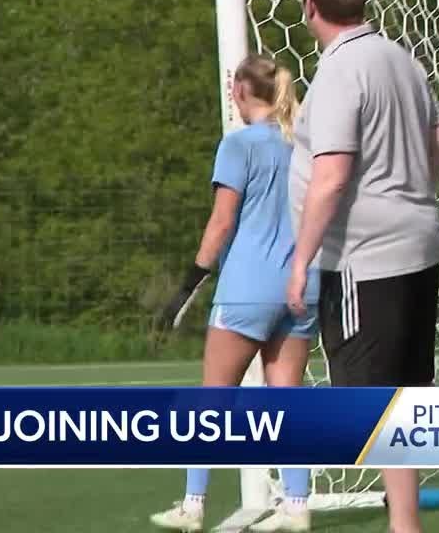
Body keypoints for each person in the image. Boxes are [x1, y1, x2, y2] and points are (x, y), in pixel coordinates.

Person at [283, 0, 439, 533]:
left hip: (365, 259)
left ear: (310, 6)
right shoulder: (401, 58)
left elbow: (332, 175)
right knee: (416, 388)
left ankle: (404, 525)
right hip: (417, 241)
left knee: (377, 403)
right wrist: (412, 187)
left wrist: (301, 259)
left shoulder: (340, 70)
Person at [152, 56, 320, 533]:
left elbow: (222, 221)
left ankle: (192, 505)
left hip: (249, 289)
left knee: (213, 401)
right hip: (304, 284)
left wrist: (187, 286)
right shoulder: (304, 143)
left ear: (242, 92)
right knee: (287, 401)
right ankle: (297, 505)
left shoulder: (239, 145)